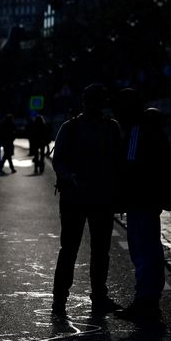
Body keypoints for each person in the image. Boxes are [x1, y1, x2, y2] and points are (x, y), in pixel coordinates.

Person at [51, 84, 123, 315]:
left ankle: (99, 296)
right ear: (84, 102)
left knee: (100, 251)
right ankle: (60, 298)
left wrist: (118, 193)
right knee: (69, 248)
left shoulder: (112, 128)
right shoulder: (70, 127)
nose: (96, 105)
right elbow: (58, 160)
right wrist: (70, 177)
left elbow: (118, 162)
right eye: (92, 100)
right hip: (74, 198)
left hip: (102, 198)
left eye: (99, 100)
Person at [114, 89, 171, 321]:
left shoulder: (138, 130)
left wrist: (120, 195)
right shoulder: (154, 129)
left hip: (141, 199)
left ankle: (145, 302)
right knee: (151, 248)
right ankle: (150, 300)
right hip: (150, 198)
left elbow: (130, 167)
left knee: (142, 250)